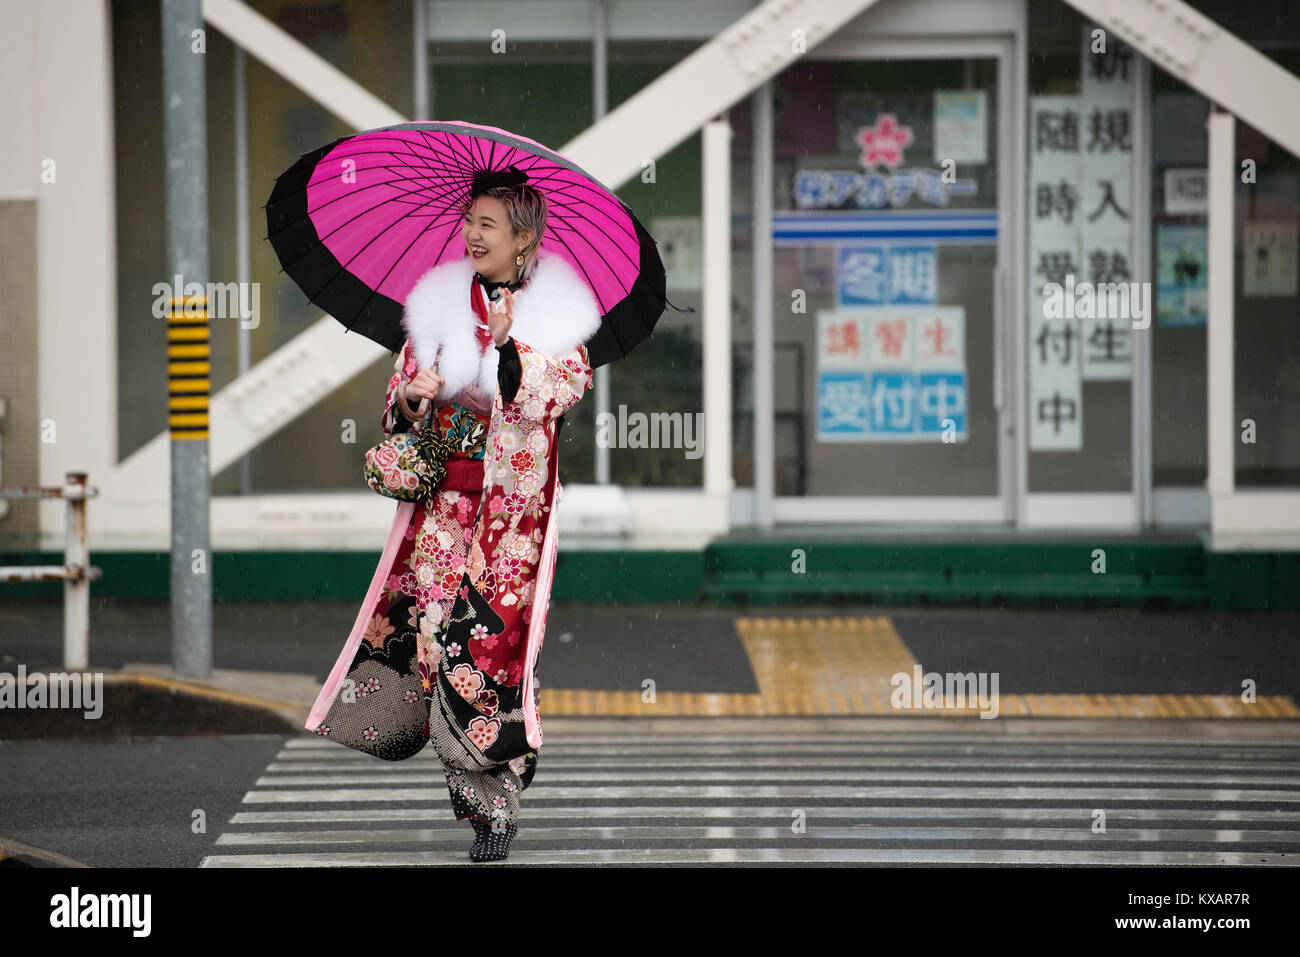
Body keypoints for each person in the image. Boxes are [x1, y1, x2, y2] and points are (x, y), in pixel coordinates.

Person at [304, 169, 602, 862]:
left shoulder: (555, 314)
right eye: (469, 221)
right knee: (440, 648)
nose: (471, 233)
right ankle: (481, 791)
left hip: (510, 525)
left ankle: (499, 783)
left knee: (489, 657)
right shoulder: (438, 302)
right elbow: (400, 399)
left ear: (524, 238)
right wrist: (415, 394)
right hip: (443, 510)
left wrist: (505, 348)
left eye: (487, 224)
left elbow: (562, 388)